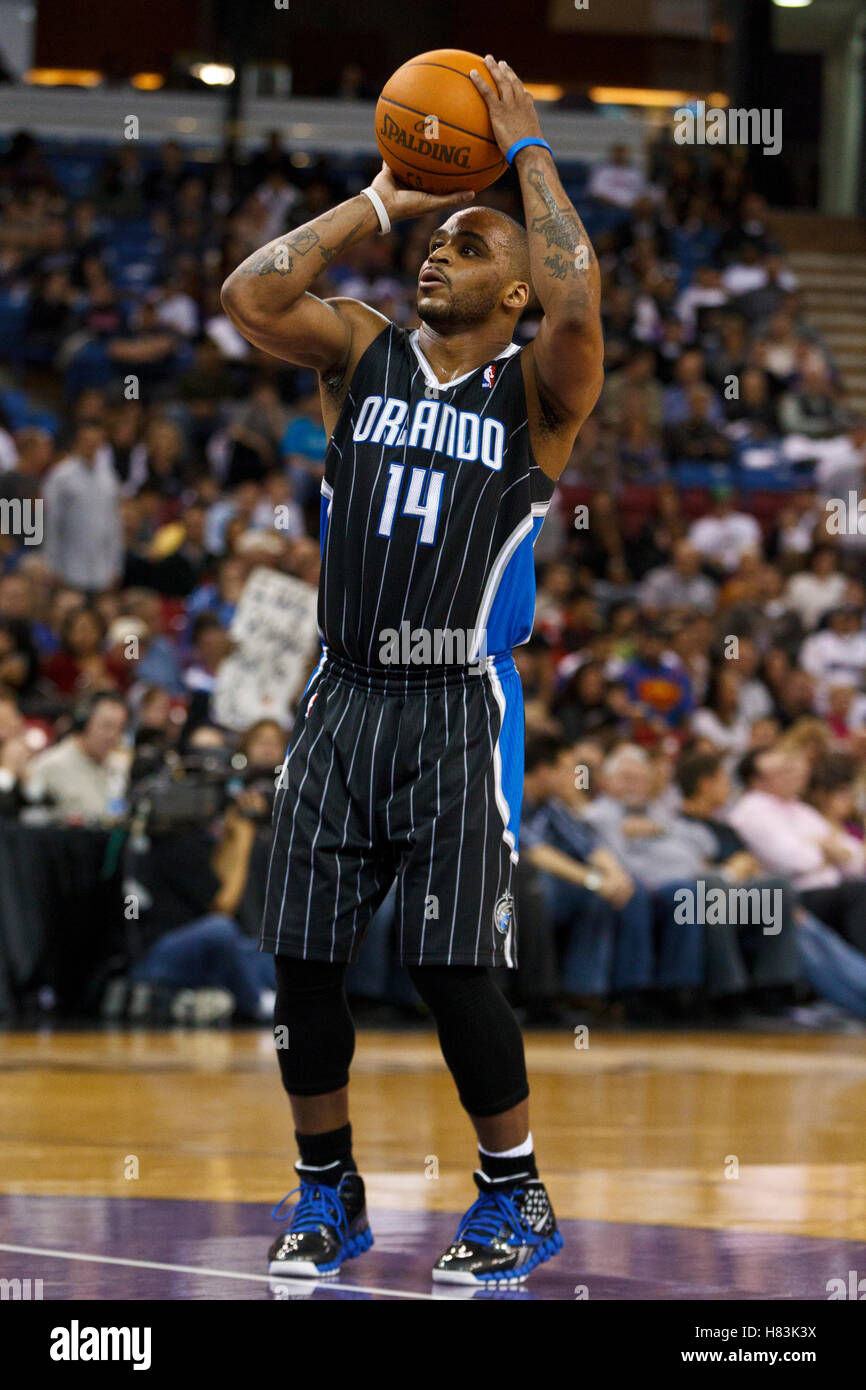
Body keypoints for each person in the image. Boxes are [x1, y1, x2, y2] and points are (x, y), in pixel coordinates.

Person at [221, 54, 604, 1285]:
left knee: (452, 966)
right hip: (342, 694)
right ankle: (327, 1191)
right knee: (303, 960)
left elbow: (581, 303)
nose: (442, 252)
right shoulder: (362, 353)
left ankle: (514, 1196)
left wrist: (526, 155)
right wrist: (382, 199)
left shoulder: (537, 392)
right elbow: (249, 294)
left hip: (453, 702)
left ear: (512, 296)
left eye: (471, 244)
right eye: (436, 240)